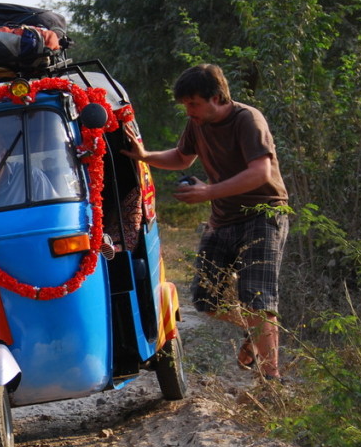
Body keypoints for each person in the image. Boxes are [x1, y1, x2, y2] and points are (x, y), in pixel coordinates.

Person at [121, 64, 289, 380]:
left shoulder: (247, 120)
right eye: (185, 105)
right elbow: (182, 158)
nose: (189, 111)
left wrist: (208, 191)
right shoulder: (198, 124)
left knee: (256, 301)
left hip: (263, 215)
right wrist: (145, 155)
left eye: (193, 104)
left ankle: (271, 382)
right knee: (206, 299)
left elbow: (260, 173)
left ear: (216, 97)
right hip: (223, 220)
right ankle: (256, 333)